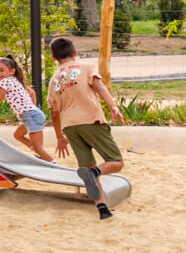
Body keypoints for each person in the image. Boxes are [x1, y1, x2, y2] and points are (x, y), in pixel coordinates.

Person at [48, 37, 127, 220]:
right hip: (90, 120)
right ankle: (94, 173)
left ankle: (102, 208)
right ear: (75, 53)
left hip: (69, 127)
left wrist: (60, 137)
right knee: (115, 162)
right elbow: (99, 86)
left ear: (54, 58)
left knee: (87, 164)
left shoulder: (54, 80)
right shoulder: (85, 67)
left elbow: (54, 113)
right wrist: (113, 107)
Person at [0, 55, 52, 161]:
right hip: (31, 114)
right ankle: (39, 154)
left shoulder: (5, 81)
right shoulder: (15, 80)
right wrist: (31, 108)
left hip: (30, 115)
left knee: (39, 147)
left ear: (12, 71)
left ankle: (52, 163)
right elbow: (32, 93)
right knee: (18, 135)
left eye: (1, 70)